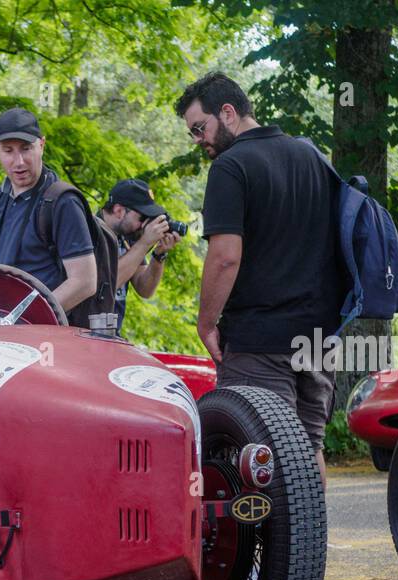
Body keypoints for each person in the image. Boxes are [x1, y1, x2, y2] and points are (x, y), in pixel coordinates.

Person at [176, 72, 344, 485]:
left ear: (228, 113)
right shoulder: (313, 158)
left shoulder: (230, 167)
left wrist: (206, 322)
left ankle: (273, 552)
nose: (198, 139)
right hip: (321, 339)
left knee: (257, 456)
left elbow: (225, 259)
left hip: (260, 341)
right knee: (308, 449)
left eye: (200, 127)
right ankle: (309, 550)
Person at [0, 108, 97, 315]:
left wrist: (27, 316)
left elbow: (85, 282)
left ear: (42, 145)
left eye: (26, 148)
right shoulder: (2, 194)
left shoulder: (62, 201)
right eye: (8, 151)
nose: (18, 162)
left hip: (41, 334)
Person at [97, 178, 181, 336]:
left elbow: (145, 289)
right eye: (142, 218)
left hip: (110, 335)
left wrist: (159, 254)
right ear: (119, 211)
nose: (144, 225)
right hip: (83, 334)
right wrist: (143, 244)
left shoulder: (128, 237)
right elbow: (103, 285)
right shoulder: (89, 232)